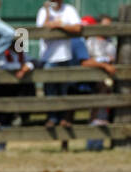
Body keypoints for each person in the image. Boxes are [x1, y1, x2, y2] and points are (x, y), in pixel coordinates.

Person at [35, 0, 82, 131]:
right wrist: (49, 13)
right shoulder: (43, 11)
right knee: (50, 90)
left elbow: (77, 28)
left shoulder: (69, 10)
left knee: (64, 90)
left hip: (65, 56)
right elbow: (41, 28)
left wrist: (60, 26)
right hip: (48, 56)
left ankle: (63, 118)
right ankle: (52, 118)